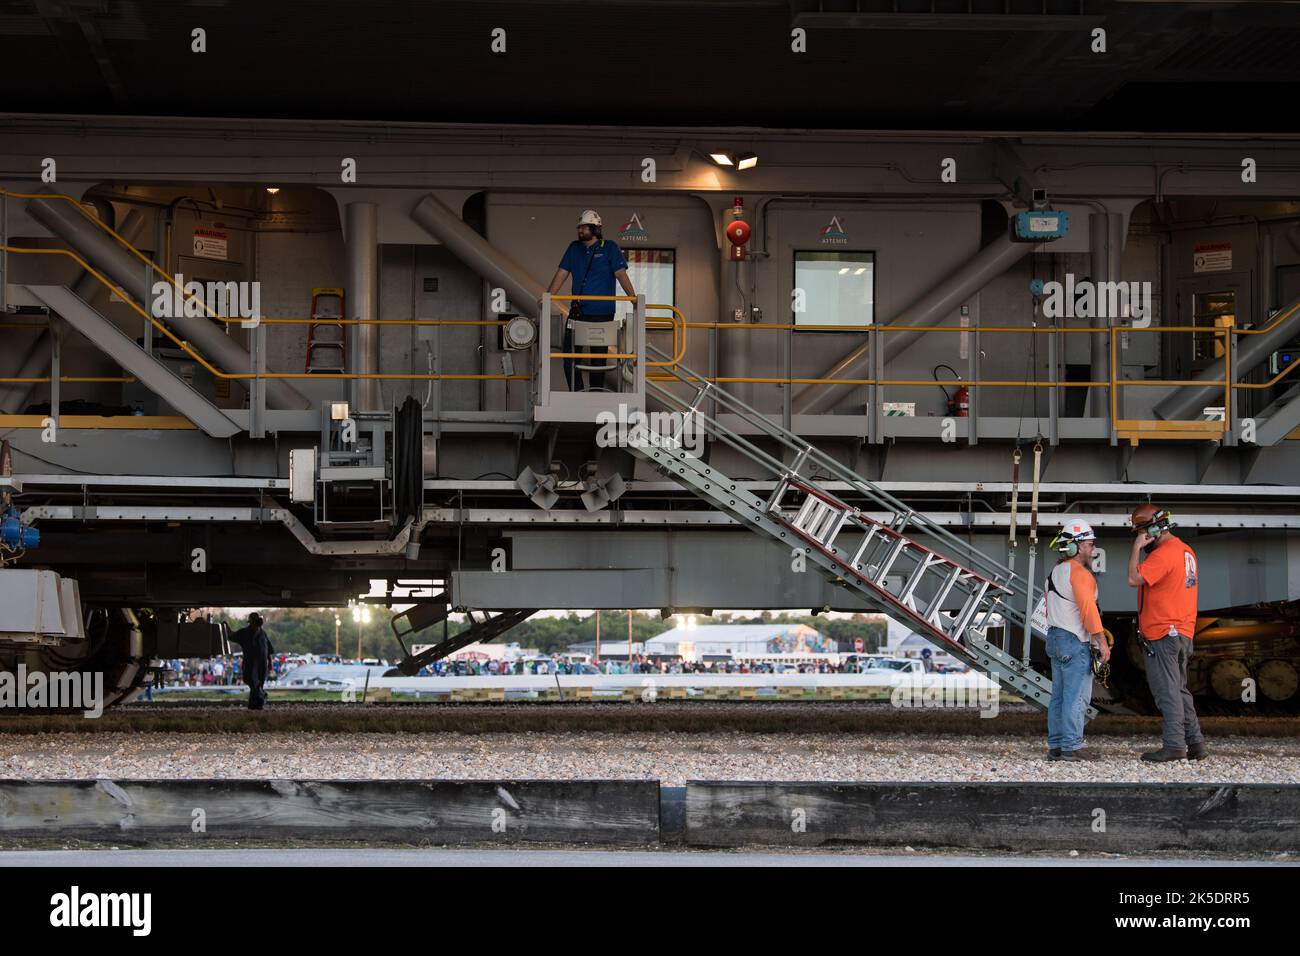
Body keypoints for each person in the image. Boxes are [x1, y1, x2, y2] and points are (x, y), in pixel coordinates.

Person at [1126, 504, 1206, 762]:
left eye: (1141, 533)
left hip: (1163, 632)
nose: (1141, 538)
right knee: (1180, 689)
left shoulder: (1164, 554)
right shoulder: (1187, 551)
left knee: (1167, 692)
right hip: (1182, 632)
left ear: (1151, 530)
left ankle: (1174, 746)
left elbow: (1133, 579)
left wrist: (1137, 548)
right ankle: (1196, 744)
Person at [545, 210, 636, 392]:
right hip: (578, 313)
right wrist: (547, 296)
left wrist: (634, 299)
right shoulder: (574, 248)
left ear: (595, 229)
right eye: (579, 227)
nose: (580, 230)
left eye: (584, 227)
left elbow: (620, 274)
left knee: (598, 359)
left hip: (602, 314)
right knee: (570, 357)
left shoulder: (609, 248)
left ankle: (595, 394)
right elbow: (562, 273)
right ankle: (577, 393)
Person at [1044, 518, 1109, 761]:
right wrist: (1101, 643)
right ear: (1078, 546)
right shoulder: (1080, 573)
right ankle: (1072, 746)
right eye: (1090, 544)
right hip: (1074, 640)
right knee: (1076, 696)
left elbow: (1048, 610)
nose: (1093, 549)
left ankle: (1057, 746)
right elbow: (1088, 611)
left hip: (1055, 638)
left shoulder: (1054, 573)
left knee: (1059, 697)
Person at [227, 611, 275, 710]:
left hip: (261, 664)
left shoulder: (263, 633)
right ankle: (261, 696)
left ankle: (255, 705)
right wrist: (225, 627)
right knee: (252, 681)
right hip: (251, 662)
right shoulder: (244, 632)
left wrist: (270, 662)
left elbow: (268, 649)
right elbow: (231, 635)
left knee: (258, 683)